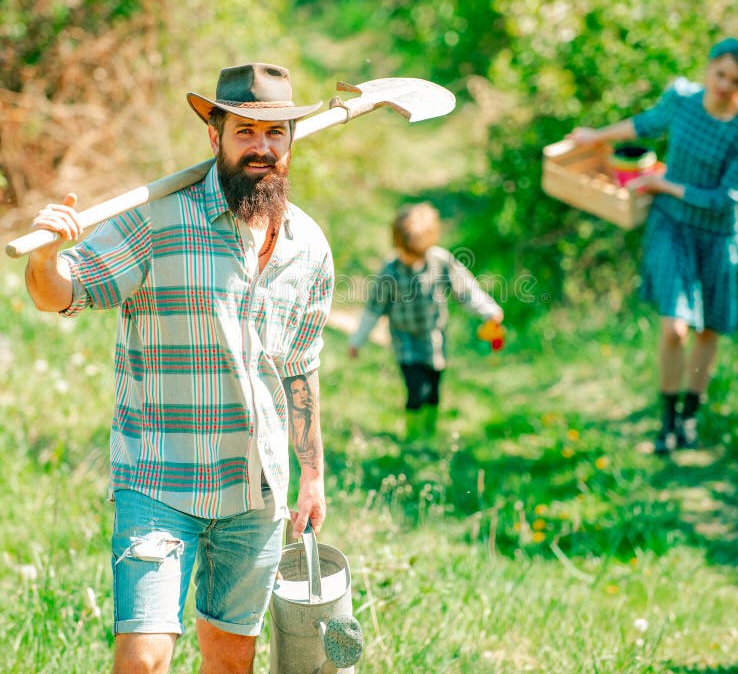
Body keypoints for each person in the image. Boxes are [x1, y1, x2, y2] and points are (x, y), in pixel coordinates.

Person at [23, 62, 334, 673]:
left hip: (256, 489)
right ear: (213, 135)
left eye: (275, 134)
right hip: (160, 479)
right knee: (143, 661)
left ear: (292, 142)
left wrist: (313, 473)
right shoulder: (157, 220)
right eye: (245, 131)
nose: (261, 147)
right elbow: (60, 293)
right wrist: (49, 253)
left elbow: (300, 369)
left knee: (229, 660)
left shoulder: (309, 246)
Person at [564, 38, 738, 454]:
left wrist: (664, 184)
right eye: (720, 74)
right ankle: (667, 420)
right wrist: (593, 136)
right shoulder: (683, 100)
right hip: (673, 228)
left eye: (735, 80)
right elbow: (645, 124)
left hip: (717, 237)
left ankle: (690, 417)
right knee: (675, 328)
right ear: (709, 68)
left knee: (708, 329)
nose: (724, 84)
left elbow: (726, 198)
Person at [348, 202, 503, 437]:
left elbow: (466, 290)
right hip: (405, 340)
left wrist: (488, 309)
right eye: (407, 252)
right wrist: (357, 340)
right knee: (416, 389)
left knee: (433, 390)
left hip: (434, 337)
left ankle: (429, 431)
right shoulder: (390, 272)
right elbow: (373, 309)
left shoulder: (441, 261)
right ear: (398, 243)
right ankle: (413, 434)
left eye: (417, 253)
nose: (411, 258)